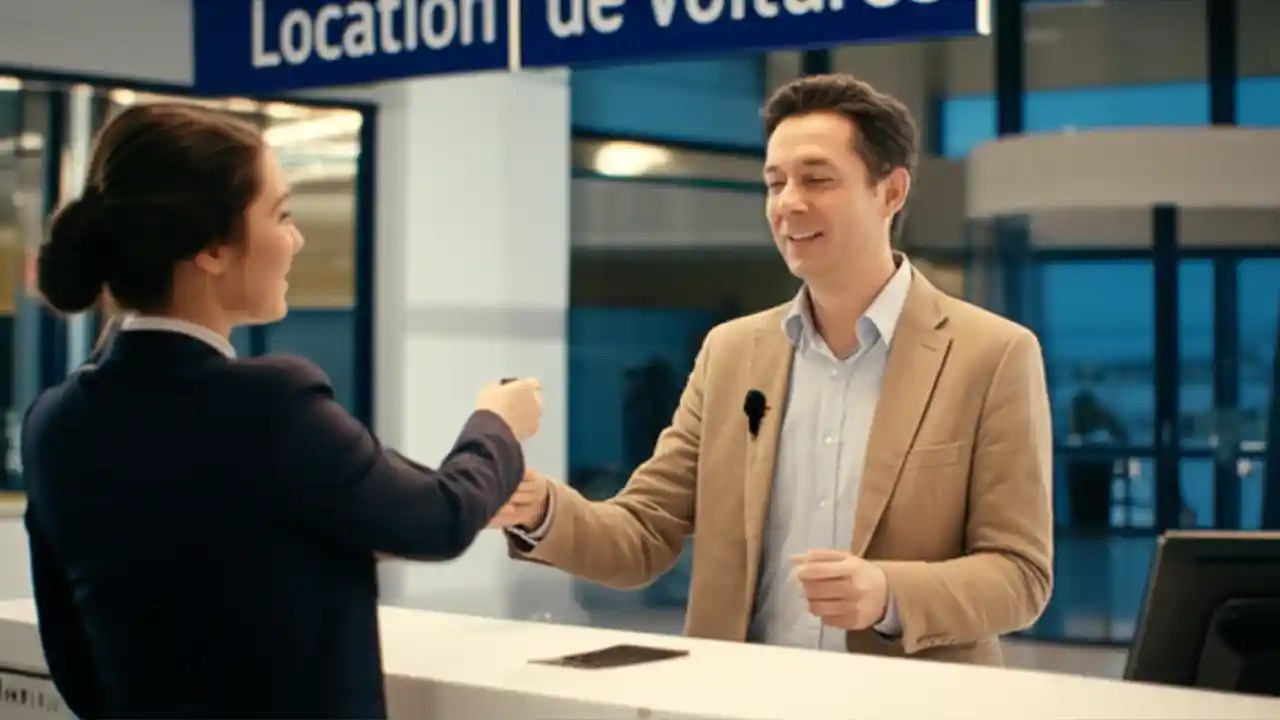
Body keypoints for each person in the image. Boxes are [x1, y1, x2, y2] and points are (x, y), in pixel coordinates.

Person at [492, 74, 1053, 666]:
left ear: (891, 193)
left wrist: (890, 594)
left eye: (816, 179)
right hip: (738, 697)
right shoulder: (731, 353)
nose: (788, 203)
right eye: (774, 182)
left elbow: (1020, 575)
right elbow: (643, 533)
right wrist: (540, 508)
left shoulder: (991, 354)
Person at [21, 102, 542, 718]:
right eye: (281, 214)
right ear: (213, 248)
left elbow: (77, 667)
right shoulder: (272, 406)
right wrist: (497, 424)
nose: (296, 240)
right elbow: (439, 518)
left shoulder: (55, 422)